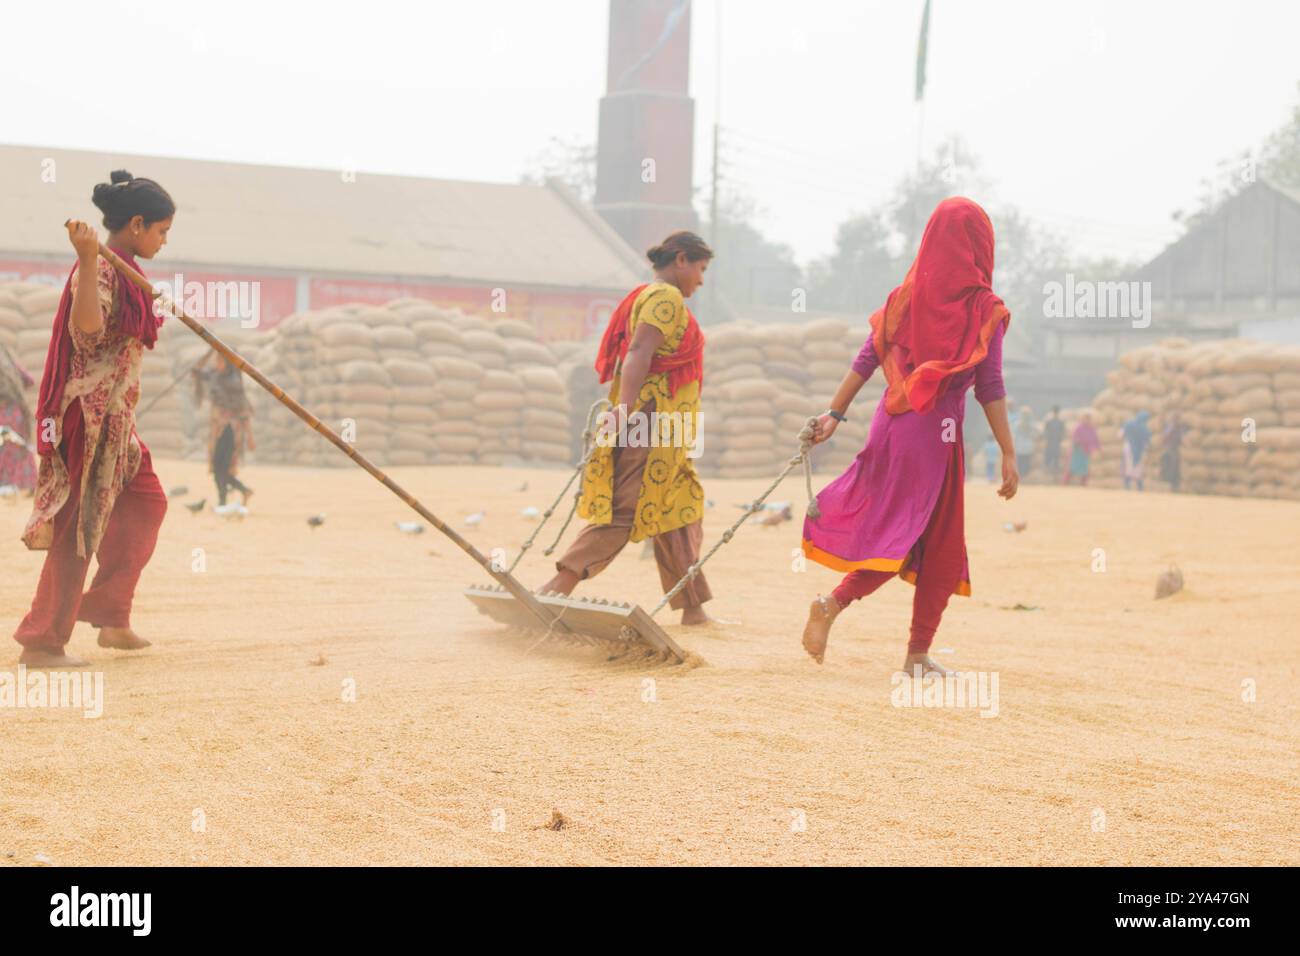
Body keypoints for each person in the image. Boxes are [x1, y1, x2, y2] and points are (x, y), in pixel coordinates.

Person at [799, 198, 1017, 675]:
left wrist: (834, 414)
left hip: (891, 425)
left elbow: (867, 357)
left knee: (900, 531)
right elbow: (991, 386)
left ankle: (890, 638)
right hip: (934, 438)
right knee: (931, 541)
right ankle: (900, 645)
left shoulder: (906, 296)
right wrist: (1008, 451)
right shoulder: (985, 308)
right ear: (981, 245)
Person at [12, 170, 174, 667]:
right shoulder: (101, 268)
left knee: (146, 503)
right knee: (79, 527)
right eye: (162, 232)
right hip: (87, 417)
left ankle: (110, 614)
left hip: (117, 421)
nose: (164, 242)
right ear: (138, 224)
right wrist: (85, 260)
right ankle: (42, 641)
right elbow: (87, 330)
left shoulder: (127, 270)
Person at [540, 231, 714, 625]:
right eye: (701, 269)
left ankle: (693, 609)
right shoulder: (665, 297)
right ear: (682, 260)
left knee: (680, 508)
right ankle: (557, 587)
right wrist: (625, 408)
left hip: (669, 432)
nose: (701, 281)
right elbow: (638, 351)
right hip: (651, 423)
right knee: (629, 507)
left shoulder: (649, 295)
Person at [193, 352, 255, 506]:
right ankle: (240, 492)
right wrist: (210, 350)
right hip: (217, 429)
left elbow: (243, 410)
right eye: (216, 360)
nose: (217, 364)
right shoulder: (214, 375)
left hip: (230, 430)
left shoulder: (233, 382)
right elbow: (195, 370)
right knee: (216, 468)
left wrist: (249, 436)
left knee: (223, 468)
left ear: (227, 363)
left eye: (220, 360)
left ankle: (224, 502)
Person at [0, 343, 37, 492]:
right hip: (17, 412)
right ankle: (24, 484)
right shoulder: (8, 359)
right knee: (19, 450)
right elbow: (29, 380)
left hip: (2, 414)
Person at [1064, 411, 1100, 485]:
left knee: (1085, 469)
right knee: (1072, 467)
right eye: (1085, 418)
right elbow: (1074, 438)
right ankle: (1064, 483)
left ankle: (1083, 484)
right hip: (1077, 450)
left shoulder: (1091, 429)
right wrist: (1077, 444)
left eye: (1088, 419)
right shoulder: (1078, 428)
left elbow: (1095, 439)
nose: (1086, 420)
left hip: (1086, 451)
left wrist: (1096, 448)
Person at [1121, 409, 1152, 491]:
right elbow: (1148, 441)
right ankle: (1139, 487)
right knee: (1138, 467)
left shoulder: (1128, 424)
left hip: (1128, 447)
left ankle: (1127, 485)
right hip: (1139, 450)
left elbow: (1120, 435)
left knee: (1128, 465)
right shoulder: (1145, 428)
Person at [1160, 410, 1186, 492]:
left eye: (1177, 418)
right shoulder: (1170, 427)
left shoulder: (1179, 428)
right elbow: (1165, 436)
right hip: (1170, 448)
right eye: (1175, 418)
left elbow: (1182, 438)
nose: (1176, 420)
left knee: (1174, 467)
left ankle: (1174, 485)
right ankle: (1169, 483)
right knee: (1170, 466)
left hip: (1174, 449)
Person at [1014, 403, 1037, 479]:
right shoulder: (1031, 424)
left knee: (1021, 462)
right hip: (1027, 446)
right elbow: (1035, 433)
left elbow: (1015, 435)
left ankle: (1021, 477)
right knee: (1025, 462)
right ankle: (1023, 477)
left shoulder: (1018, 424)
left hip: (1020, 447)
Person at [1042, 406, 1065, 478]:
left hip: (1057, 442)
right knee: (1048, 456)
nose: (1055, 414)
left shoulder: (1060, 422)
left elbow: (1062, 432)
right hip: (1050, 441)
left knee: (1056, 458)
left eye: (1056, 412)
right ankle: (1046, 473)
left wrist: (1060, 438)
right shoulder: (1049, 422)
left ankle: (1055, 474)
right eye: (1055, 412)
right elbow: (1045, 431)